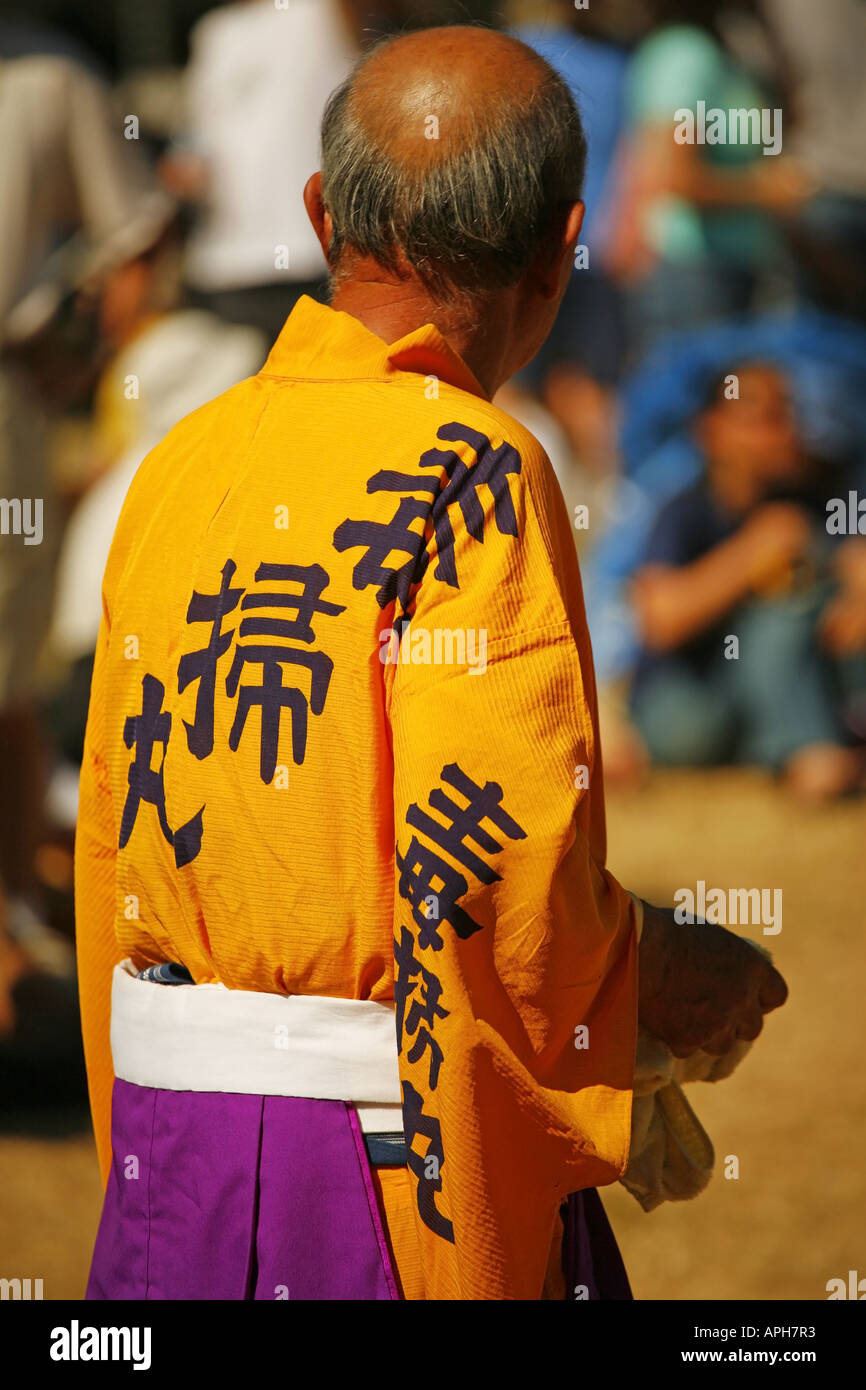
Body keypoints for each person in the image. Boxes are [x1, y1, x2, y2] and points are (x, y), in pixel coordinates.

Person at [75, 26, 787, 1302]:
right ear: (561, 249)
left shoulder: (175, 464)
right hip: (376, 1172)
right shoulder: (476, 466)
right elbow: (498, 880)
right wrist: (651, 971)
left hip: (168, 1155)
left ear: (319, 213)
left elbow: (108, 848)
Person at [629, 361, 866, 797]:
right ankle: (807, 752)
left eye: (788, 414)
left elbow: (854, 556)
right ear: (711, 430)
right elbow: (659, 619)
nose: (786, 432)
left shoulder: (812, 494)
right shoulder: (684, 510)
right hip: (688, 705)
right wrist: (755, 550)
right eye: (765, 420)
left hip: (756, 697)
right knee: (783, 612)